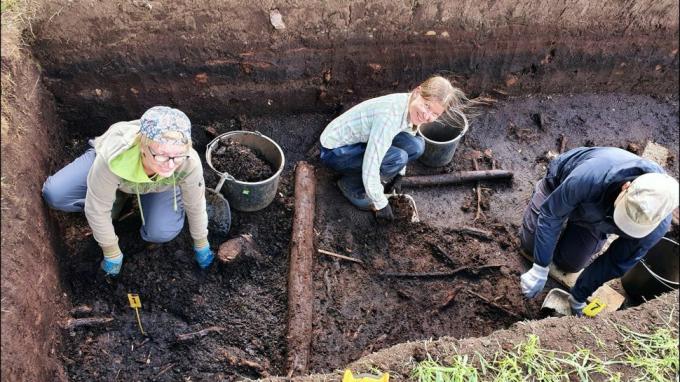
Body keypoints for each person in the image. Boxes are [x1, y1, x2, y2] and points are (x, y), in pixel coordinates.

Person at [42, 106, 214, 277]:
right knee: (56, 195)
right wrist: (111, 253)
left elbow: (196, 204)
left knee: (161, 231)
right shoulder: (115, 158)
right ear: (143, 147)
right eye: (161, 155)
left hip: (158, 186)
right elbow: (97, 210)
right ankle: (117, 195)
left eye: (177, 156)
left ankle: (123, 197)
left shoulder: (188, 163)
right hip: (115, 172)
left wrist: (201, 243)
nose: (169, 164)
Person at [519, 146, 679, 315]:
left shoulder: (655, 227)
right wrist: (540, 266)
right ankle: (542, 205)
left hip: (596, 219)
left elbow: (615, 262)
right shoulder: (590, 176)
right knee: (531, 245)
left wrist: (579, 296)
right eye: (625, 216)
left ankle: (575, 229)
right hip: (560, 187)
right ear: (626, 187)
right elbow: (551, 214)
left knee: (570, 263)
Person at [319, 75, 469, 223]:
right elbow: (371, 164)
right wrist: (381, 204)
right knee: (398, 157)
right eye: (426, 105)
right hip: (335, 151)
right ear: (417, 92)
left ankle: (374, 178)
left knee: (416, 145)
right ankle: (350, 186)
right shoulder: (389, 116)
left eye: (435, 113)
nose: (426, 115)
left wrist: (399, 173)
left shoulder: (410, 105)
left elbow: (407, 133)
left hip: (359, 142)